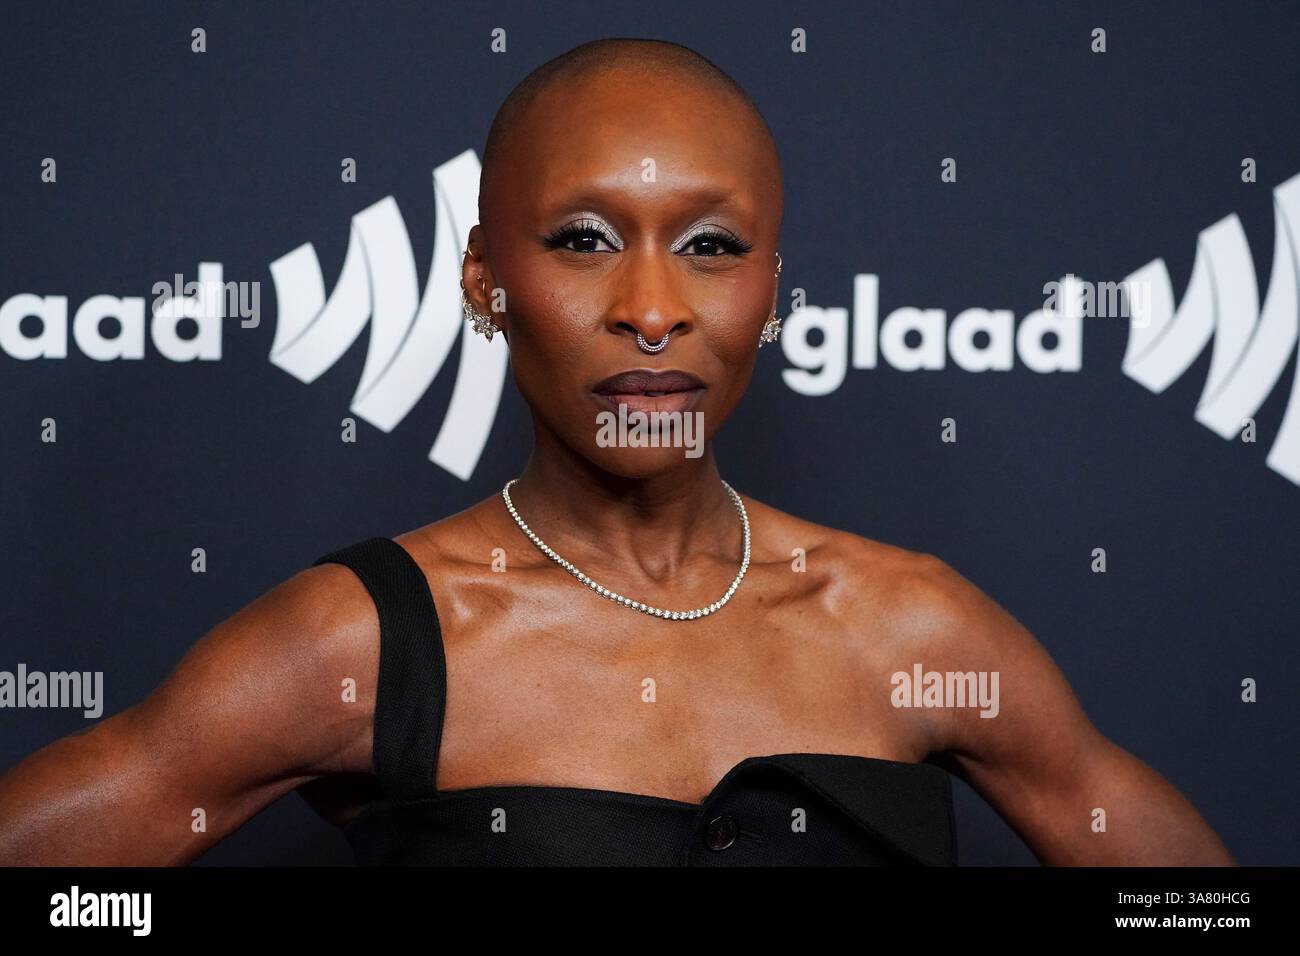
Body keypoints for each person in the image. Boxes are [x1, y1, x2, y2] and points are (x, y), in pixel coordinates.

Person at [0, 38, 1234, 866]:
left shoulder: (915, 632)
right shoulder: (363, 642)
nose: (654, 305)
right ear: (487, 280)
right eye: (585, 238)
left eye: (710, 245)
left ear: (772, 288)